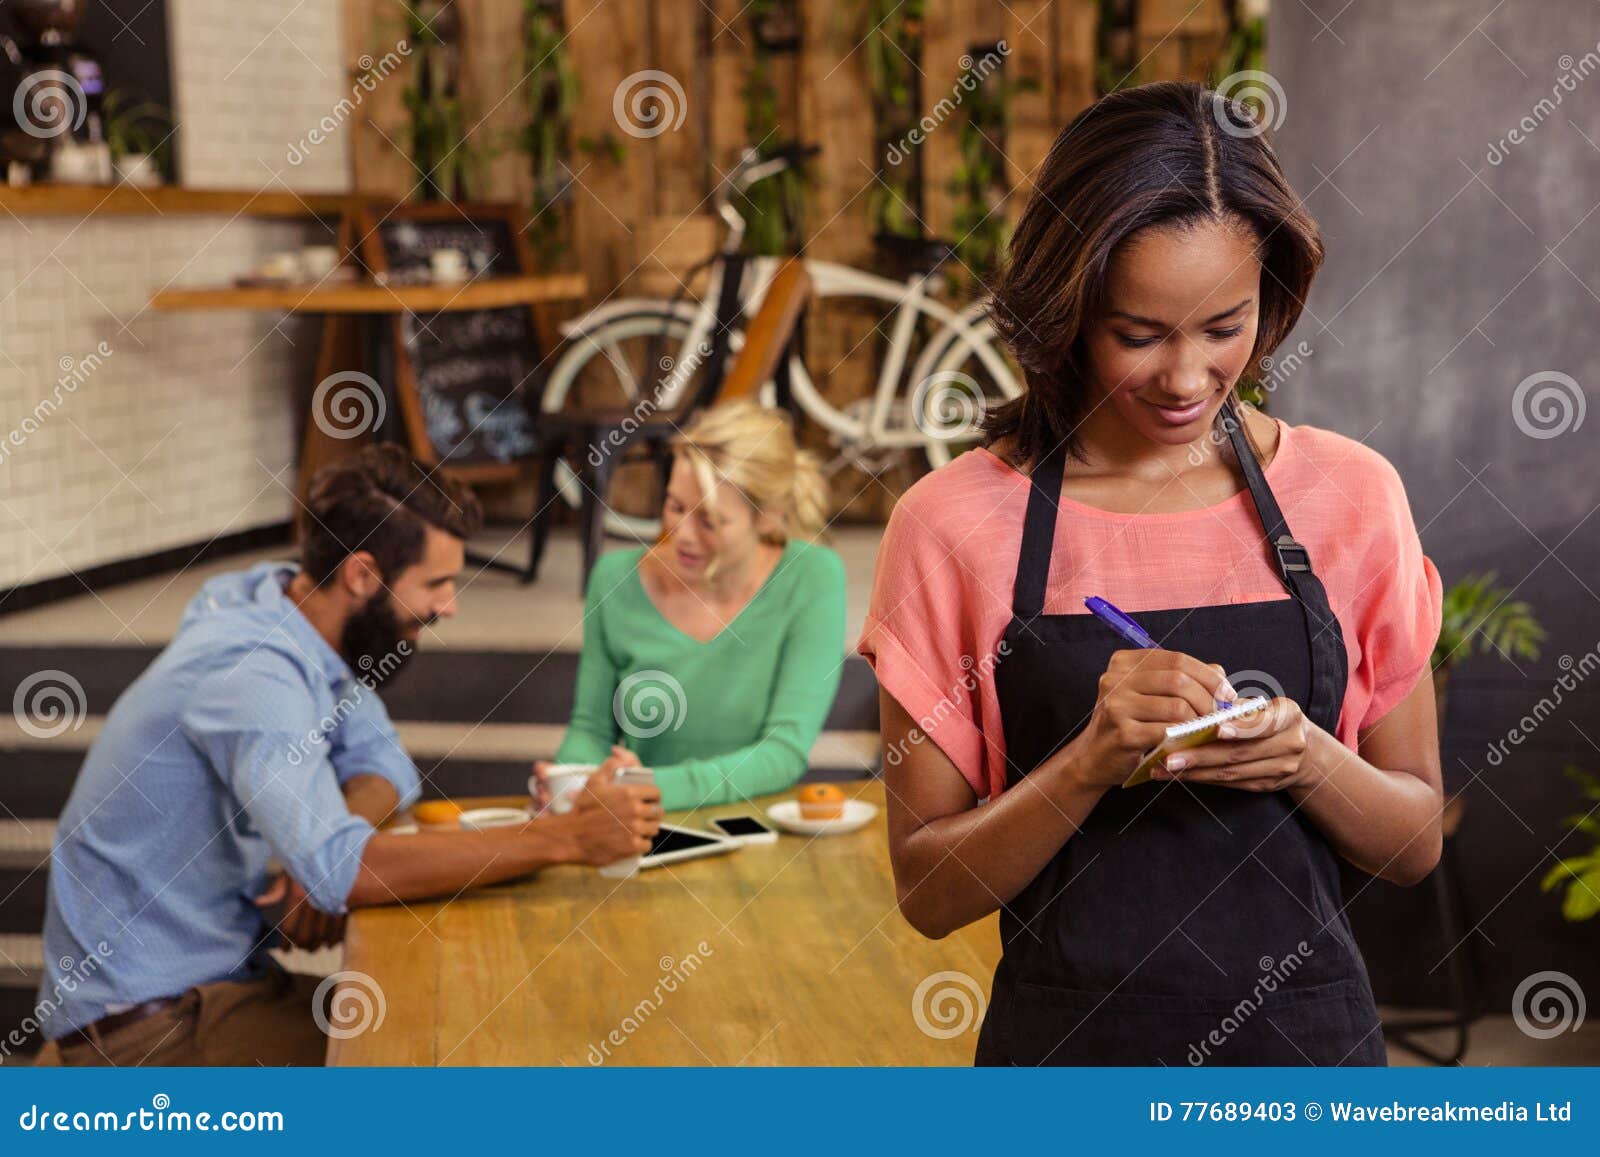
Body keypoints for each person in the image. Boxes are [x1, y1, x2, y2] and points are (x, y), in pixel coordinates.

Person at [862, 80, 1445, 1066]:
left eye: (1225, 325)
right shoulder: (950, 526)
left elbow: (1413, 838)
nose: (1185, 378)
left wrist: (1306, 754)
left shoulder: (1352, 495)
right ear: (1067, 307)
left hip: (1305, 1058)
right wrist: (1087, 760)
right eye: (1138, 334)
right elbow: (928, 892)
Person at [34, 445, 660, 1067]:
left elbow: (384, 766)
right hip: (151, 1031)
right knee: (454, 1063)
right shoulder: (255, 675)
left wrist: (325, 857)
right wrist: (567, 838)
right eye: (436, 583)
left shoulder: (290, 606)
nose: (450, 606)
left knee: (458, 1022)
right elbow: (347, 873)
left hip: (224, 986)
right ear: (362, 575)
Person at [541, 401, 847, 812]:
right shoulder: (614, 580)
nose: (681, 535)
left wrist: (650, 787)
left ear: (769, 519)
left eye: (710, 521)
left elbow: (784, 750)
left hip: (753, 825)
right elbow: (591, 729)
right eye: (675, 506)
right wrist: (572, 783)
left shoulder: (812, 577)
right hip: (640, 825)